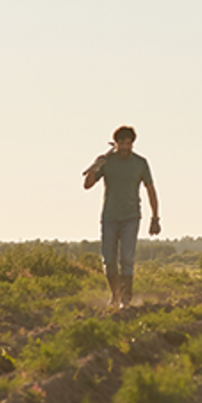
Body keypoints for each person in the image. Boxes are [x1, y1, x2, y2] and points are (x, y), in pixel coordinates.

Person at [82, 125, 160, 308]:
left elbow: (151, 190)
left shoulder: (140, 163)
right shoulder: (106, 162)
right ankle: (115, 295)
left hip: (131, 217)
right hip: (109, 217)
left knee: (126, 258)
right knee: (109, 260)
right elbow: (87, 185)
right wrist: (95, 166)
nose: (125, 147)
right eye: (122, 144)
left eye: (129, 144)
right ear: (115, 144)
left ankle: (126, 299)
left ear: (133, 144)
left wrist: (155, 217)